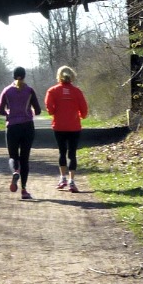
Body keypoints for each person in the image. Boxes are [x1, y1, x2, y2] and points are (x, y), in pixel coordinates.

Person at [0, 66, 41, 200]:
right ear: (24, 76)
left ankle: (15, 171)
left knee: (13, 156)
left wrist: (8, 114)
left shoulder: (7, 91)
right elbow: (38, 110)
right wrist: (29, 113)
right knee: (24, 159)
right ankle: (24, 190)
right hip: (27, 126)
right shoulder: (29, 90)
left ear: (13, 76)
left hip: (12, 127)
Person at [44, 65, 89, 193]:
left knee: (62, 152)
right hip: (74, 126)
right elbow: (84, 108)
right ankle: (72, 181)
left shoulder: (52, 91)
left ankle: (62, 178)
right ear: (72, 76)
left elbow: (49, 108)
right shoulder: (77, 91)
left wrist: (55, 112)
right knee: (72, 153)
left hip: (59, 126)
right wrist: (82, 115)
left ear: (59, 76)